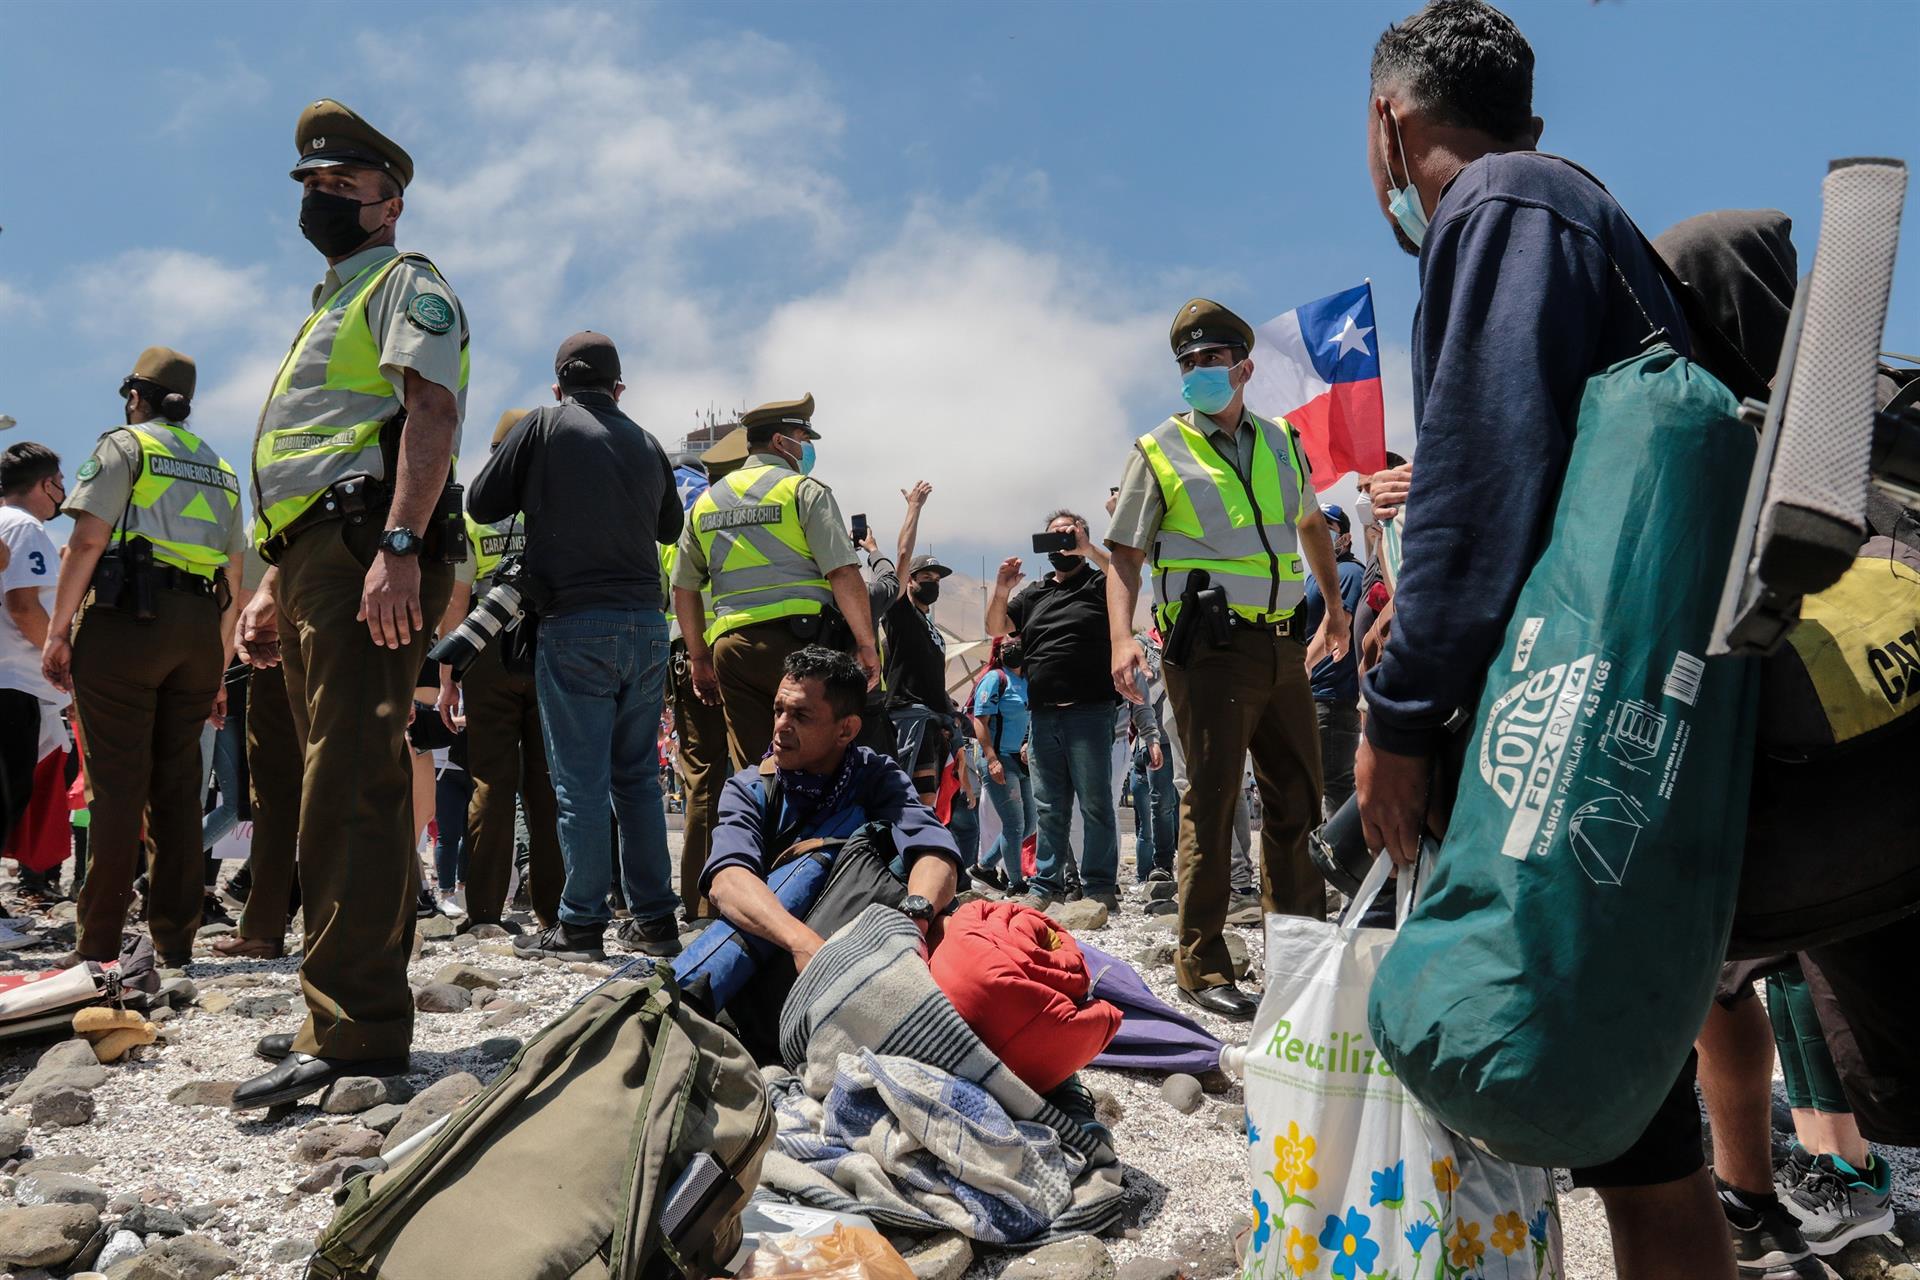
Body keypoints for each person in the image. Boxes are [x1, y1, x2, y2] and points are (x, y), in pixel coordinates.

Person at [1350, 5, 1740, 1275]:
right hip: (1626, 702)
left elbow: (1481, 476)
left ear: (1388, 124)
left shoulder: (1502, 204)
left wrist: (1398, 723)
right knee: (1646, 1140)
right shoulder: (1559, 198)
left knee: (1627, 1134)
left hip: (1573, 726)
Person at [231, 100, 468, 1109]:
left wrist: (401, 546)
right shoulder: (335, 299)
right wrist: (276, 580)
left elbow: (432, 408)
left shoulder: (403, 283)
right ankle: (336, 1007)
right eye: (312, 186)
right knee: (330, 777)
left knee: (356, 782)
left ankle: (361, 1028)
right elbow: (318, 449)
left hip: (370, 546)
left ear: (390, 203)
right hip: (319, 557)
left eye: (342, 185)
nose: (322, 197)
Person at [1106, 300, 1349, 1019]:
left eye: (1211, 360)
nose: (1198, 373)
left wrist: (1333, 609)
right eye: (1188, 363)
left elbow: (1310, 525)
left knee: (1297, 802)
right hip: (1207, 649)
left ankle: (1299, 959)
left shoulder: (1281, 443)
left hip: (1281, 642)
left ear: (1243, 368)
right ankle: (1203, 965)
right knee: (1211, 802)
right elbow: (1123, 555)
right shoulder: (1157, 450)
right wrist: (1121, 636)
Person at [469, 332, 684, 962]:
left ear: (559, 386)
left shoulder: (542, 426)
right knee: (639, 781)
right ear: (619, 389)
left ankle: (581, 924)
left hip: (576, 623)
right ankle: (654, 921)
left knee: (580, 786)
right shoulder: (646, 440)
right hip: (646, 624)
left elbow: (482, 504)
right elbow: (668, 526)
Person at [42, 348, 244, 966]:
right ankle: (175, 943)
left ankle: (98, 945)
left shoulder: (123, 446)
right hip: (197, 630)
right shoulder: (222, 466)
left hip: (128, 621)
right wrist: (218, 662)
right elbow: (233, 572)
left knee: (117, 787)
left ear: (136, 394)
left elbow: (86, 540)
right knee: (181, 791)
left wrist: (57, 632)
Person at [701, 645, 960, 1057]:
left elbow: (933, 849)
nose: (781, 726)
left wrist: (916, 917)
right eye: (778, 710)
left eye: (801, 715)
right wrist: (806, 946)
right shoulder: (751, 788)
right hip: (781, 971)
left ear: (847, 730)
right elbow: (728, 882)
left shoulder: (876, 777)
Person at [672, 394, 880, 771]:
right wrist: (866, 644)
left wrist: (700, 658)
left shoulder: (706, 503)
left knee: (755, 770)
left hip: (734, 651)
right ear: (781, 442)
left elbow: (683, 588)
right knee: (815, 761)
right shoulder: (803, 491)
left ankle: (758, 829)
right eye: (803, 437)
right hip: (803, 645)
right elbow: (843, 573)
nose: (807, 448)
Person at [436, 408, 564, 931]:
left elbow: (457, 597)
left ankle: (484, 911)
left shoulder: (473, 515)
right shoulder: (561, 508)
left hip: (486, 649)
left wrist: (449, 678)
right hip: (548, 649)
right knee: (546, 785)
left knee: (490, 780)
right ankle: (553, 910)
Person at [987, 510, 1120, 912]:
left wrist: (1089, 549)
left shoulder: (1101, 583)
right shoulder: (1034, 595)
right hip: (1043, 715)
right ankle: (1046, 884)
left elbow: (1126, 574)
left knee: (1095, 802)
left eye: (1069, 534)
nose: (1061, 543)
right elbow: (995, 626)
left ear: (1082, 536)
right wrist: (1001, 588)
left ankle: (1099, 888)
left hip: (1090, 711)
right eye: (1054, 536)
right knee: (1048, 805)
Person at [660, 430, 746, 925]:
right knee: (758, 768)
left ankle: (698, 903)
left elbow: (663, 593)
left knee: (702, 781)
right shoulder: (724, 510)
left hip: (685, 654)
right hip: (736, 644)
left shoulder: (666, 520)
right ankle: (752, 891)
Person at [212, 551, 301, 961]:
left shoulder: (279, 508)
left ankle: (264, 925)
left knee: (274, 787)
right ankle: (343, 923)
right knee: (349, 778)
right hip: (356, 640)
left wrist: (216, 673)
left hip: (282, 643)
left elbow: (245, 600)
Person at [1, 444, 65, 857]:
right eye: (60, 484)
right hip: (13, 682)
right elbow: (24, 605)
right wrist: (60, 658)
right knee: (7, 797)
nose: (63, 494)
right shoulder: (25, 527)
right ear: (45, 484)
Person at [1300, 504, 1366, 818]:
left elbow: (1336, 622)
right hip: (1313, 694)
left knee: (1335, 784)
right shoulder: (1314, 576)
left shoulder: (1350, 572)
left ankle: (1343, 862)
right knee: (1315, 783)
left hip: (1332, 695)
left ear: (1346, 537)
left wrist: (1304, 665)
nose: (1321, 531)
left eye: (1330, 526)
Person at [882, 551, 955, 803]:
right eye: (926, 576)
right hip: (910, 717)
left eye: (936, 579)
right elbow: (901, 560)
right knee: (914, 798)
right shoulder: (901, 616)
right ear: (910, 581)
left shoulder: (932, 629)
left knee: (931, 801)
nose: (933, 583)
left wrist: (949, 720)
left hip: (934, 723)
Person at [970, 637, 1033, 894]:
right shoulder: (995, 679)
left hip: (1021, 761)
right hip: (998, 760)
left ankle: (984, 867)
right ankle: (1016, 883)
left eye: (1017, 642)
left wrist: (1029, 742)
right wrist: (991, 757)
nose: (1012, 648)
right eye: (1006, 644)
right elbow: (979, 721)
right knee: (1014, 824)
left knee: (1030, 823)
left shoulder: (1026, 682)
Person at [1126, 631, 1177, 884]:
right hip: (1156, 739)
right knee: (1160, 806)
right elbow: (1143, 687)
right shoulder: (1143, 643)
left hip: (1178, 735)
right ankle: (1160, 866)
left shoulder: (1187, 637)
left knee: (1171, 806)